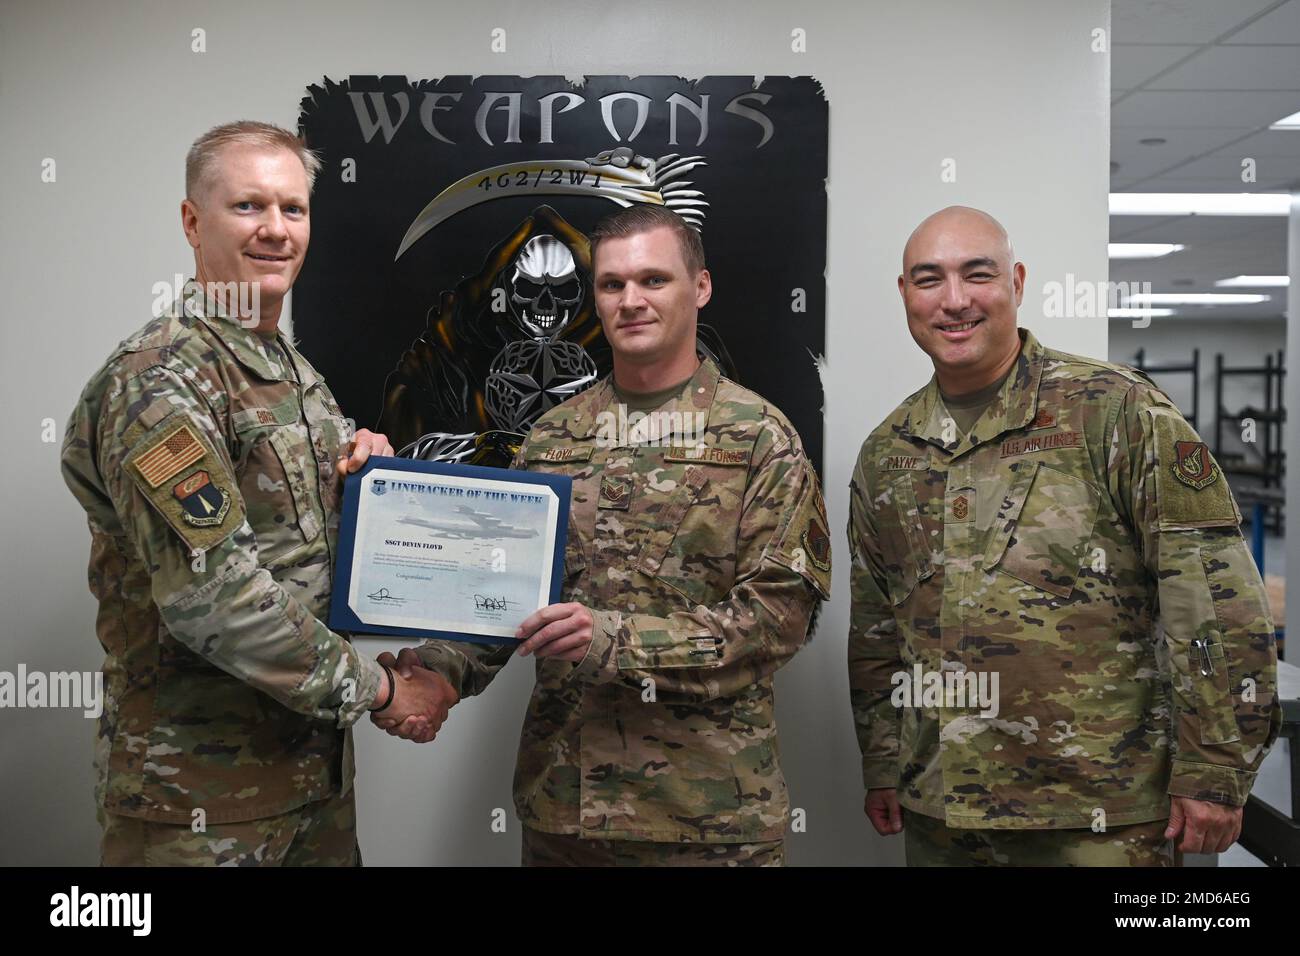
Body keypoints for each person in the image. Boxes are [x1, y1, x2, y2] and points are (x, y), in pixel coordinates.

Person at [375, 205, 831, 866]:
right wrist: (440, 677)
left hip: (710, 818)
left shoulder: (758, 438)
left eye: (654, 280)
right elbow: (502, 594)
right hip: (568, 811)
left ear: (699, 287)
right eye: (613, 285)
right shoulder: (553, 438)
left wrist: (611, 638)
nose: (632, 300)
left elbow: (775, 622)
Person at [60, 121, 457, 866]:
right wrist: (379, 691)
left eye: (294, 208)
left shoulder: (292, 374)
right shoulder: (161, 378)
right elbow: (217, 597)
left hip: (312, 785)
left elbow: (304, 548)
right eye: (248, 207)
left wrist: (371, 483)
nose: (276, 230)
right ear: (191, 221)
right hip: (201, 803)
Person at [847, 205, 1280, 866]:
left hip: (1097, 814)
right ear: (905, 294)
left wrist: (1217, 771)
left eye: (977, 274)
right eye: (929, 279)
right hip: (944, 810)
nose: (955, 300)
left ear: (1016, 282)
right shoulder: (890, 451)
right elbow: (879, 624)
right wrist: (883, 762)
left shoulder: (1115, 411)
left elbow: (1212, 598)